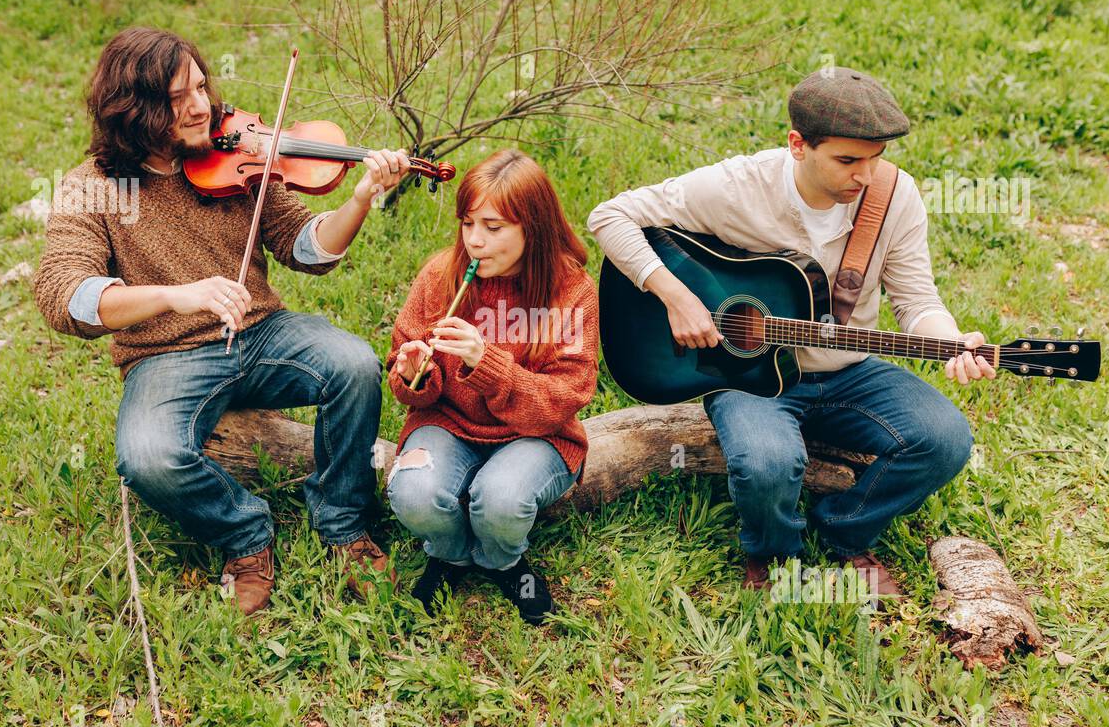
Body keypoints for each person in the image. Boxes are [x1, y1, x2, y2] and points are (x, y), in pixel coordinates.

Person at [33, 26, 412, 615]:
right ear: (133, 109)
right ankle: (245, 535)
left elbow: (306, 249)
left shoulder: (238, 152)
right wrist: (174, 296)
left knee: (354, 363)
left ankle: (342, 521)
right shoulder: (94, 188)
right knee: (148, 458)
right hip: (165, 356)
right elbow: (66, 296)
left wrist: (360, 197)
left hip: (261, 331)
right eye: (178, 98)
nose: (202, 107)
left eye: (203, 87)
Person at [587, 67, 991, 597]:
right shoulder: (736, 188)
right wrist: (678, 297)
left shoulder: (893, 198)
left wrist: (951, 341)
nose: (865, 176)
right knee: (767, 463)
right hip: (746, 373)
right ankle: (775, 554)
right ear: (797, 145)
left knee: (945, 439)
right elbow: (610, 215)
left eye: (876, 158)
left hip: (846, 370)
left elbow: (917, 300)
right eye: (847, 160)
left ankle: (844, 532)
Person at [385, 150, 600, 624]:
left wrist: (486, 362)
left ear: (533, 226)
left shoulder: (572, 291)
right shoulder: (441, 275)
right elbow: (409, 386)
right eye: (467, 223)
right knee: (413, 494)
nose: (475, 241)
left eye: (493, 227)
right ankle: (451, 554)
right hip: (448, 423)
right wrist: (413, 371)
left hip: (537, 436)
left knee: (500, 500)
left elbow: (565, 397)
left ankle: (502, 560)